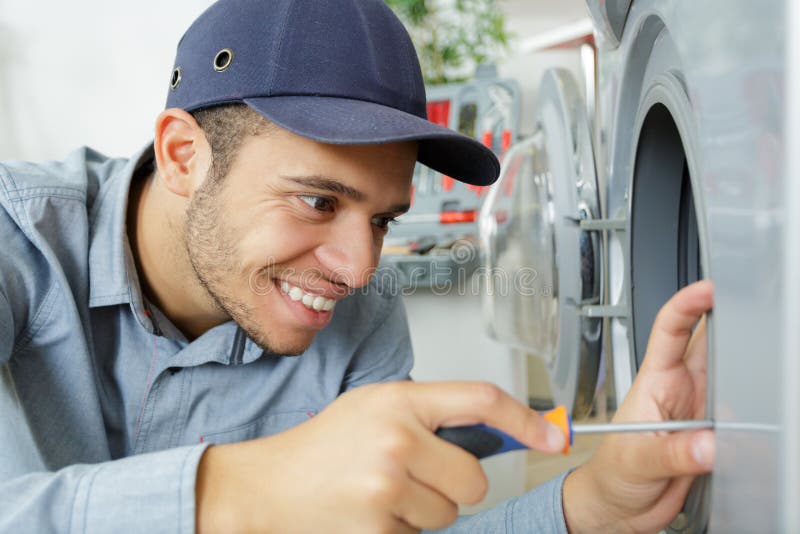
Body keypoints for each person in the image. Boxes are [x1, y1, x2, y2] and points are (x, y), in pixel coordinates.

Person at [0, 0, 714, 532]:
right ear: (184, 156)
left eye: (381, 220)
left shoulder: (361, 317)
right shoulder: (18, 242)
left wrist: (592, 500)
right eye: (316, 200)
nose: (358, 268)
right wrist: (245, 489)